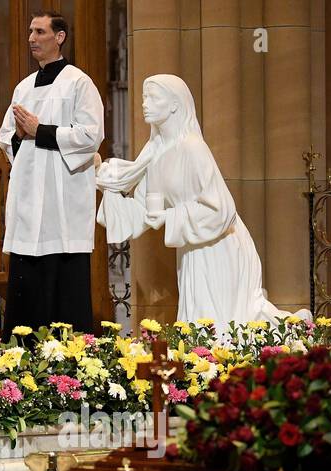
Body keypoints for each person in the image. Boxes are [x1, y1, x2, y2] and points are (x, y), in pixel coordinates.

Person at [95, 75, 298, 336]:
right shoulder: (154, 153)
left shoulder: (192, 148)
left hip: (219, 247)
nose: (145, 103)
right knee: (201, 326)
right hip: (194, 249)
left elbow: (221, 210)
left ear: (174, 105)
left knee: (221, 326)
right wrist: (102, 181)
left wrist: (170, 215)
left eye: (153, 97)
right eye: (144, 97)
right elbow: (142, 211)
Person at [0, 11, 103, 335]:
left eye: (40, 31)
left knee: (63, 284)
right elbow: (5, 137)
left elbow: (91, 134)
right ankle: (23, 354)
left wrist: (40, 131)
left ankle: (70, 360)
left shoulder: (79, 83)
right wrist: (18, 134)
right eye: (30, 31)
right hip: (29, 197)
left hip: (63, 201)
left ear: (59, 37)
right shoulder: (23, 88)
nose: (31, 38)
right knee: (26, 279)